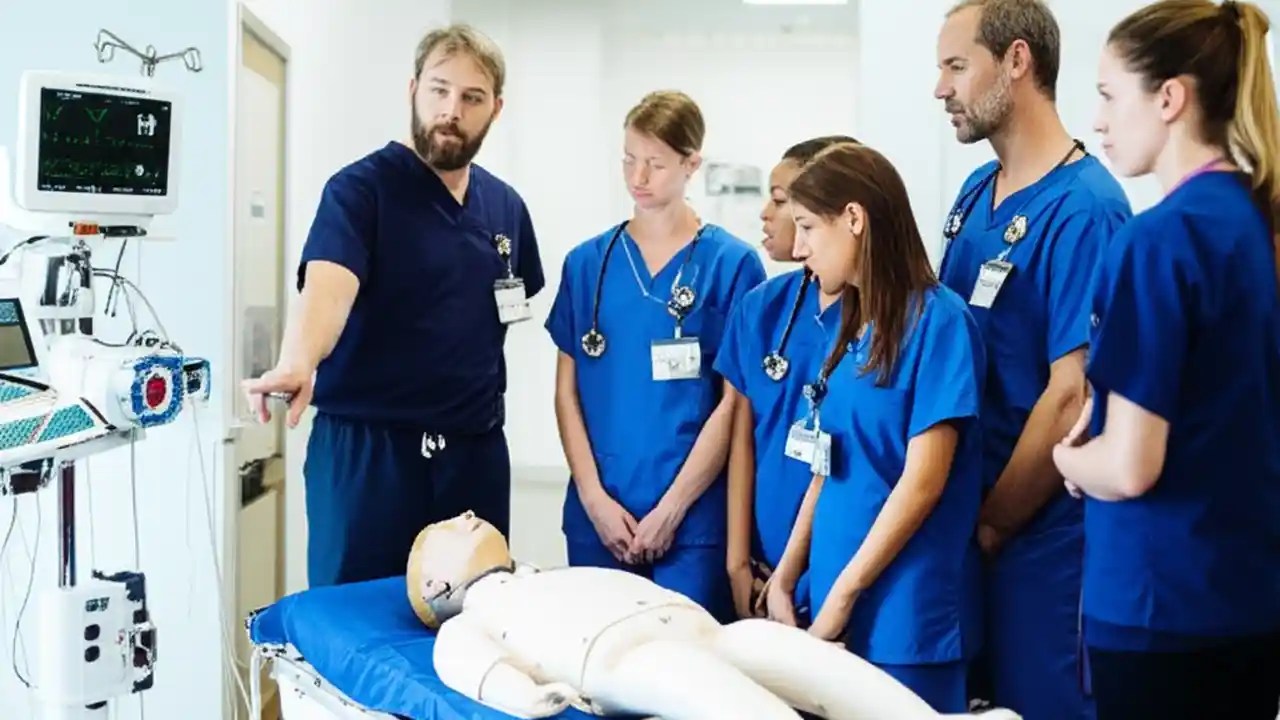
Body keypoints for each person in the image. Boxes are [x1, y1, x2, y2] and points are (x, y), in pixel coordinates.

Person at [241, 24, 544, 588]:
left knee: (472, 616)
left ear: (495, 109)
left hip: (472, 456)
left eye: (472, 97)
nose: (451, 110)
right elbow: (328, 285)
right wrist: (298, 360)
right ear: (413, 90)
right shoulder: (361, 192)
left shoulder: (506, 208)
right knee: (355, 617)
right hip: (370, 455)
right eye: (439, 90)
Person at [1052, 2, 1280, 718]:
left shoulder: (1157, 242)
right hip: (1249, 602)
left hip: (1159, 609)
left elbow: (1129, 466)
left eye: (1109, 96)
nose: (1097, 121)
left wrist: (1068, 459)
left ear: (1170, 98)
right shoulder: (1259, 224)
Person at [933, 2, 1132, 716]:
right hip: (966, 525)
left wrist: (991, 524)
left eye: (957, 66)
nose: (940, 88)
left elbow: (1071, 393)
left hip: (1038, 539)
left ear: (1017, 60)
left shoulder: (1086, 208)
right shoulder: (973, 194)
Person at [408, 511, 1023, 720]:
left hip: (700, 627)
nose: (467, 516)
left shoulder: (540, 577)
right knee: (737, 705)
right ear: (437, 585)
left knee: (805, 660)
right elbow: (467, 664)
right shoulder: (468, 619)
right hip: (627, 656)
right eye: (449, 529)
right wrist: (526, 696)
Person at [763, 143, 987, 713]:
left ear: (854, 218)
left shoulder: (940, 322)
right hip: (833, 606)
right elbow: (827, 467)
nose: (799, 248)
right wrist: (786, 577)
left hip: (904, 619)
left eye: (807, 227)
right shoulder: (855, 327)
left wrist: (845, 594)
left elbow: (923, 483)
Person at [545, 90, 766, 622]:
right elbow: (566, 393)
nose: (638, 176)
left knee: (684, 658)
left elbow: (734, 404)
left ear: (692, 164)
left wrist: (672, 509)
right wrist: (593, 499)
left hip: (693, 524)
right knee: (597, 654)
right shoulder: (587, 264)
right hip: (601, 518)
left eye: (656, 163)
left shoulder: (732, 265)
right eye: (628, 159)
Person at [715, 134, 856, 620]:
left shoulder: (884, 320)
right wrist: (737, 561)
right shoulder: (761, 308)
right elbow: (741, 434)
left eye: (780, 201)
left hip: (839, 566)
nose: (766, 214)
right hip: (761, 561)